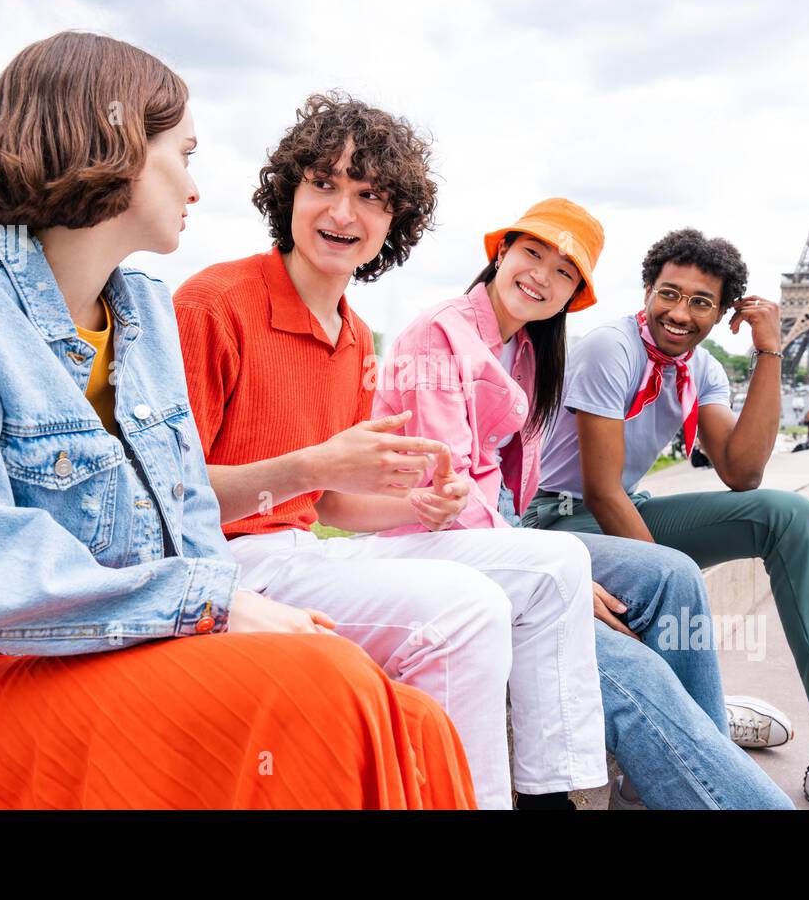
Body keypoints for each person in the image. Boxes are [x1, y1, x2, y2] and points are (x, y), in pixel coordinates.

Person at [0, 33, 476, 810]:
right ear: (119, 143)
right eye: (185, 153)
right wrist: (216, 603)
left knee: (414, 719)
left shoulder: (146, 313)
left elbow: (189, 522)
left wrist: (237, 612)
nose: (196, 187)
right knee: (322, 690)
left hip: (104, 653)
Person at [172, 93, 607, 809]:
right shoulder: (214, 302)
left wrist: (418, 505)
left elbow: (331, 503)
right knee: (467, 610)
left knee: (561, 562)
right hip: (229, 565)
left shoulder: (352, 336)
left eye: (370, 197)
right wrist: (314, 466)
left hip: (301, 551)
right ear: (288, 191)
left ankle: (554, 794)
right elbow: (166, 498)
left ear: (393, 222)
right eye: (324, 184)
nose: (343, 213)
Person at [371, 198, 794, 809]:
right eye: (532, 253)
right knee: (636, 673)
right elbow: (448, 500)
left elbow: (742, 470)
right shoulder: (440, 336)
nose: (543, 275)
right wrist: (557, 574)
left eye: (565, 272)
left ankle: (686, 769)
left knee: (673, 573)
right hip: (436, 550)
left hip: (502, 539)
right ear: (501, 253)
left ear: (574, 294)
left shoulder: (531, 350)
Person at [523, 228, 809, 809]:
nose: (679, 313)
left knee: (786, 514)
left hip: (625, 512)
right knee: (671, 576)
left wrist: (769, 351)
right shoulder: (611, 348)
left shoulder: (702, 371)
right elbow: (603, 491)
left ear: (724, 312)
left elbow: (743, 473)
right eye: (668, 293)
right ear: (647, 291)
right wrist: (670, 580)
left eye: (700, 302)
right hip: (557, 519)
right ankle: (700, 724)